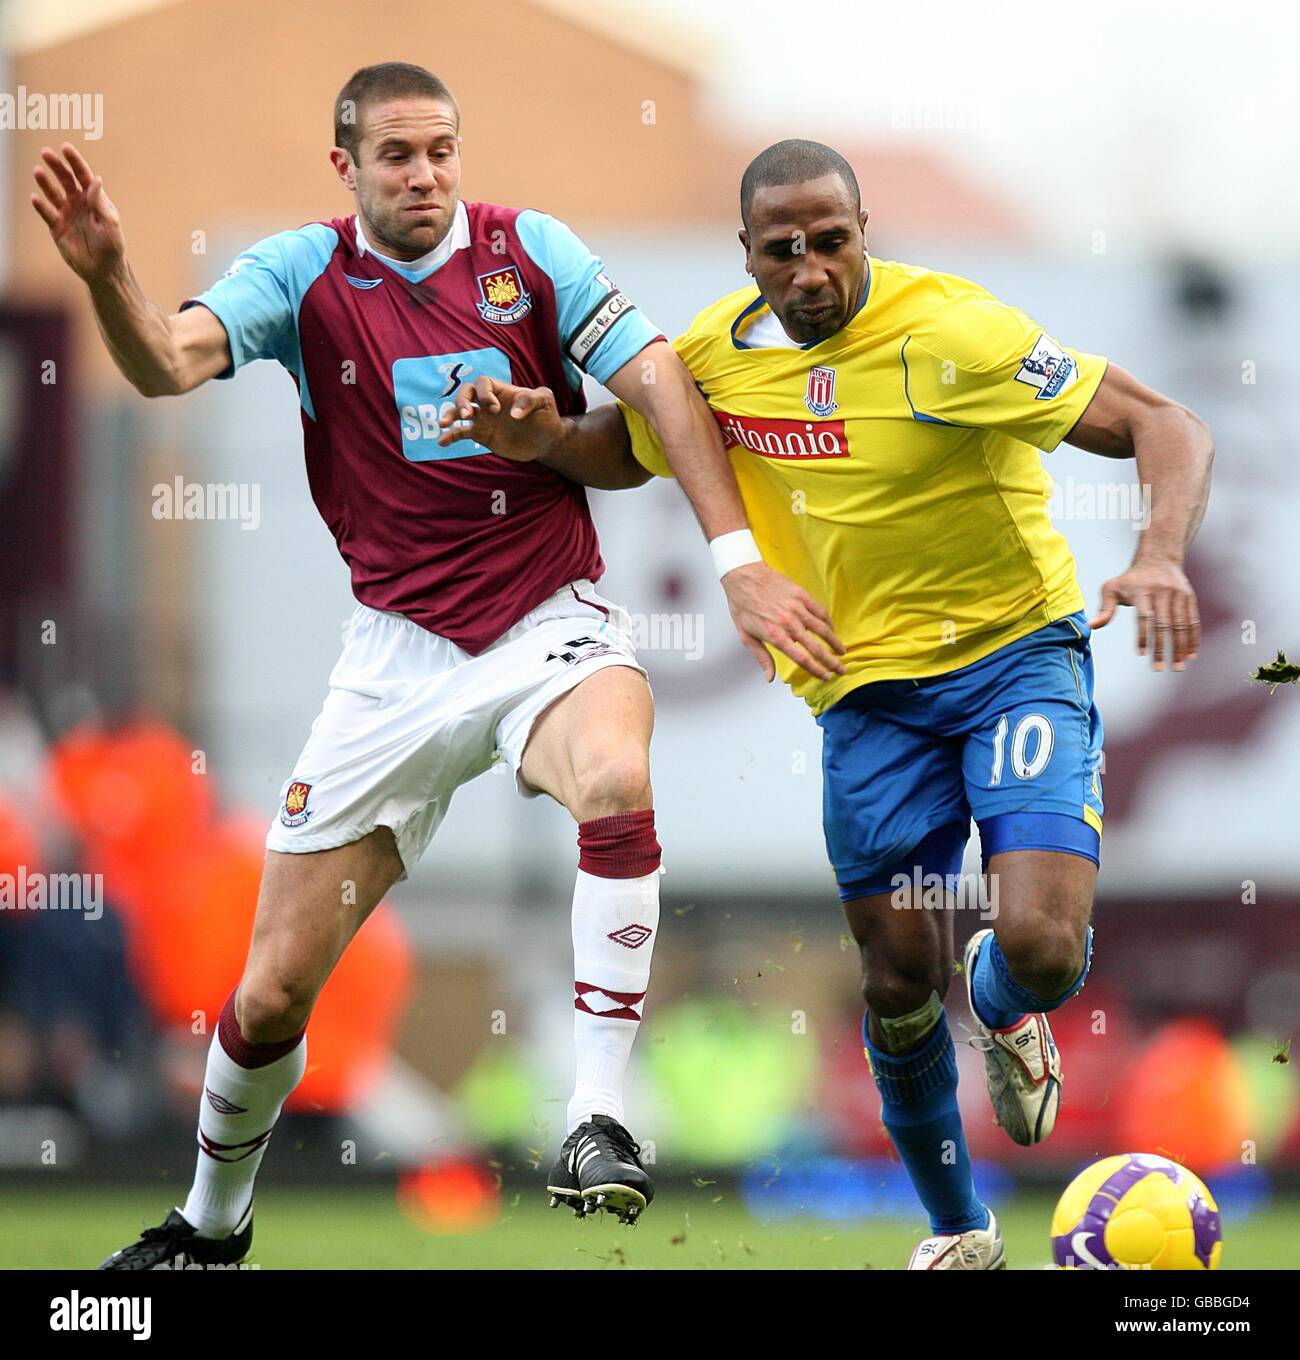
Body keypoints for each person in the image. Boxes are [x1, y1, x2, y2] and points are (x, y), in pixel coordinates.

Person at [32, 68, 841, 1268]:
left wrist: (733, 561)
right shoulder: (301, 274)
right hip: (393, 660)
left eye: (441, 152)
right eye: (397, 156)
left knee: (616, 775)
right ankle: (208, 1230)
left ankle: (596, 1116)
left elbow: (660, 382)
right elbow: (160, 363)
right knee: (264, 1002)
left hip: (547, 623)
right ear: (346, 167)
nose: (424, 176)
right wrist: (107, 271)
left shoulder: (531, 253)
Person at [434, 139, 1215, 1269]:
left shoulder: (949, 331)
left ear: (864, 233)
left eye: (832, 242)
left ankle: (1004, 1005)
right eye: (783, 249)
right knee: (897, 973)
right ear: (746, 252)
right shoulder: (708, 356)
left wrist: (1156, 555)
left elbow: (1165, 423)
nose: (810, 270)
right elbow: (634, 442)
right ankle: (959, 1231)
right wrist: (546, 437)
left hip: (1011, 659)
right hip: (862, 699)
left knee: (1041, 943)